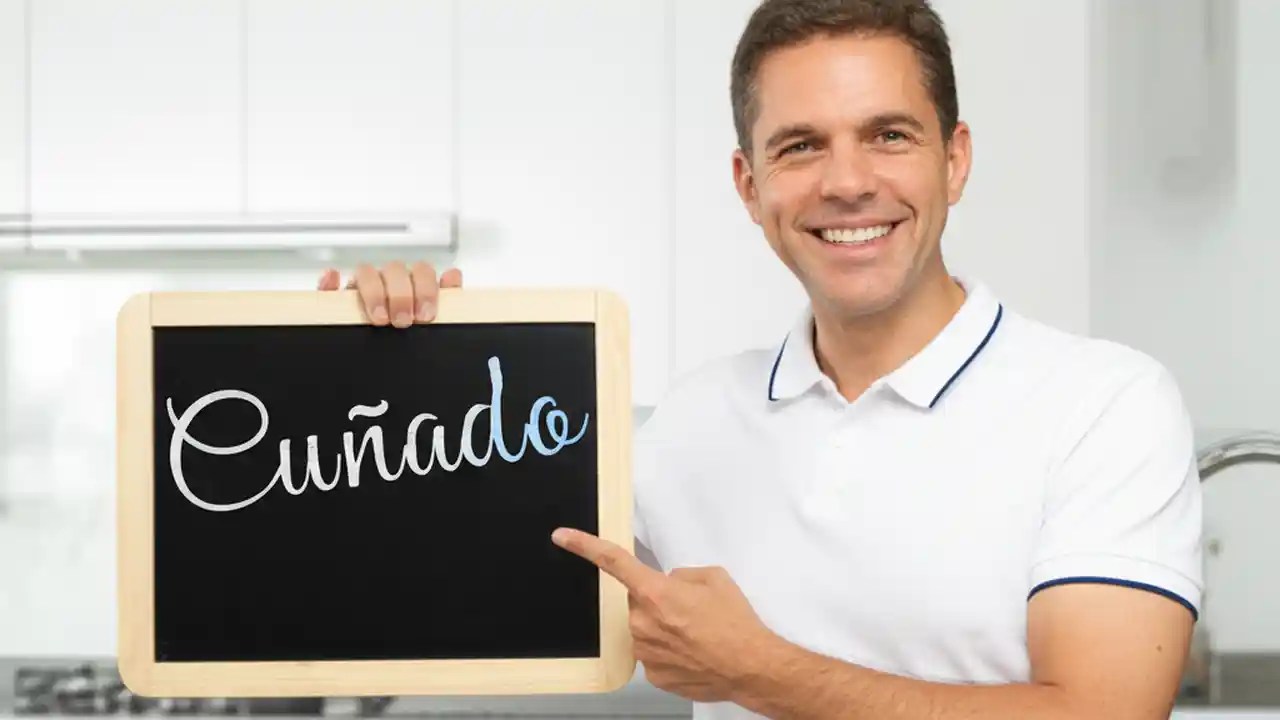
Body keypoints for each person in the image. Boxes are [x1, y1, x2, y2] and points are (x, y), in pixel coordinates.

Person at [317, 0, 1202, 717]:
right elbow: (449, 582)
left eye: (889, 134)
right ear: (750, 185)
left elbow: (1104, 713)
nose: (847, 181)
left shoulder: (1104, 405)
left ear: (954, 159)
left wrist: (761, 671)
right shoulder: (691, 422)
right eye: (800, 145)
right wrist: (371, 378)